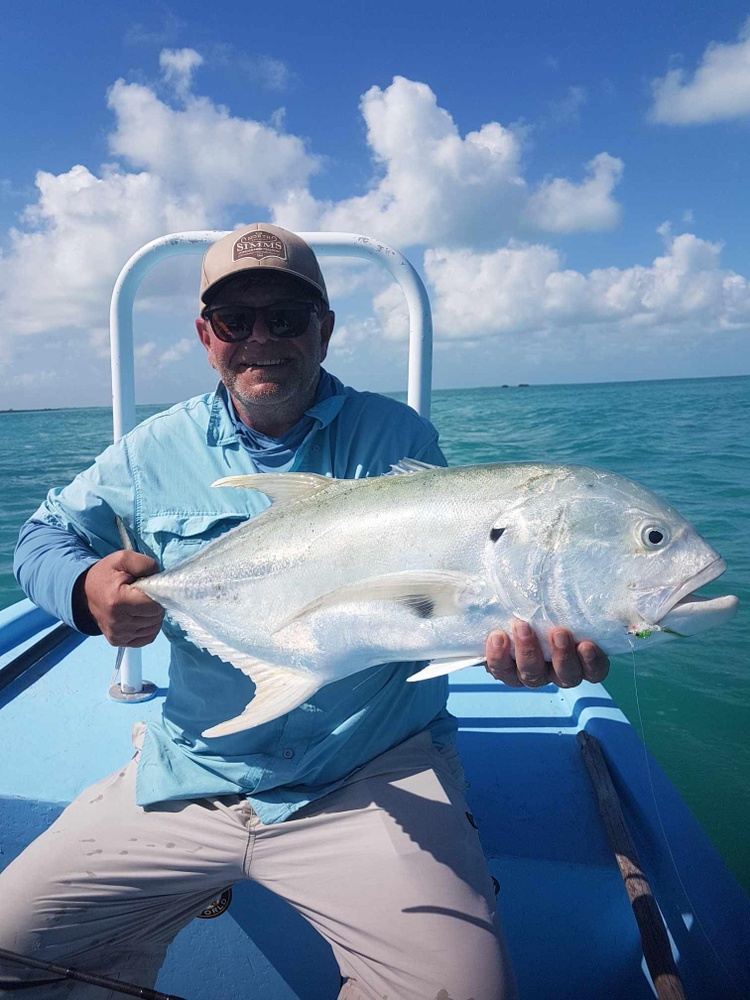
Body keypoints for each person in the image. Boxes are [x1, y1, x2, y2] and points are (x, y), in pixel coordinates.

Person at [2, 223, 609, 999]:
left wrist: (518, 646)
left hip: (366, 770)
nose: (261, 339)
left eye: (286, 318)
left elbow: (448, 599)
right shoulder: (151, 452)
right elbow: (41, 537)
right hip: (195, 767)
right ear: (206, 337)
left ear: (324, 329)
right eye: (236, 320)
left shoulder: (395, 438)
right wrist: (86, 590)